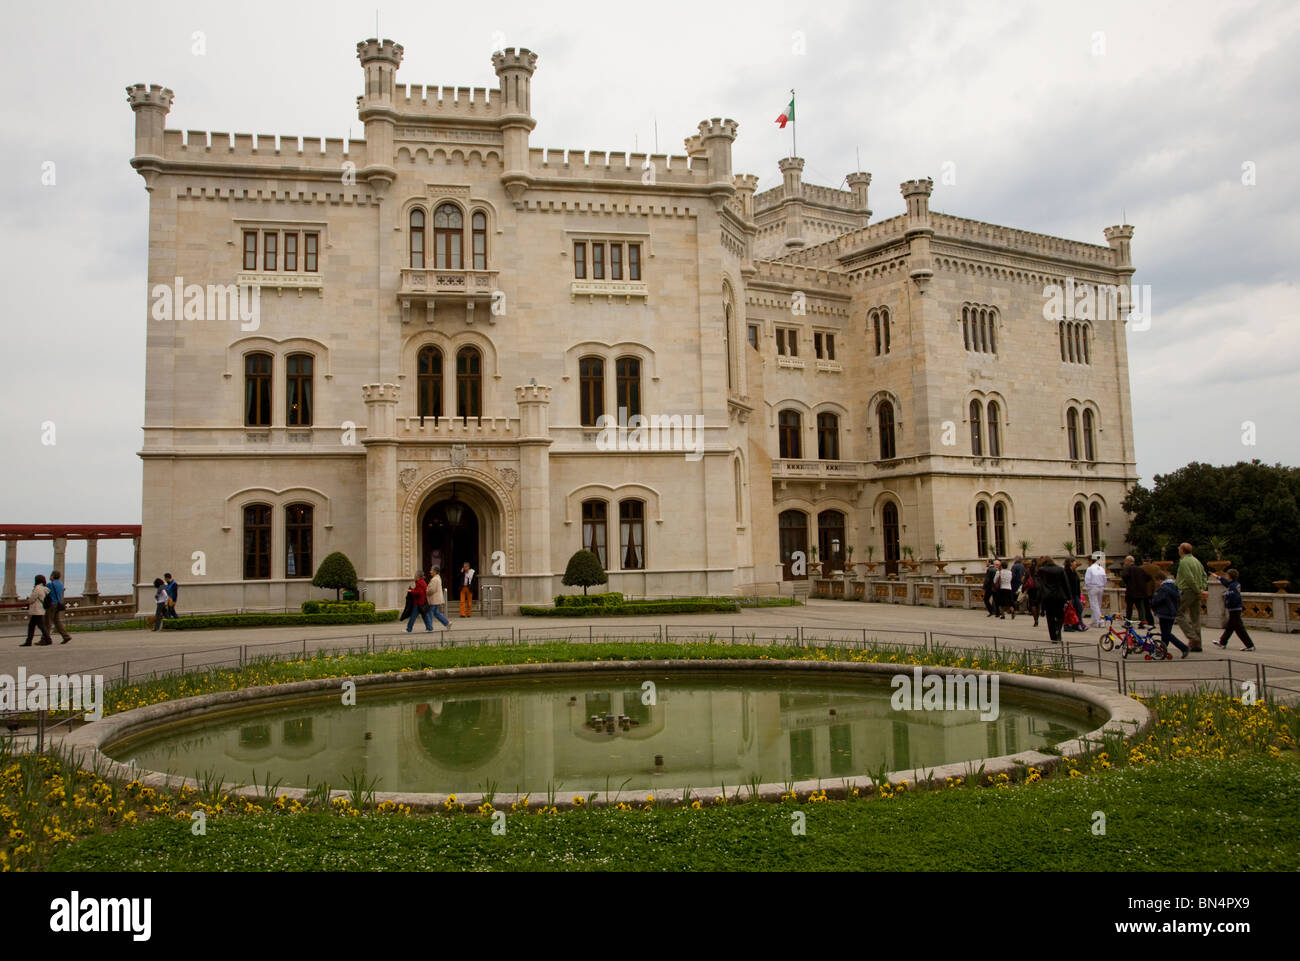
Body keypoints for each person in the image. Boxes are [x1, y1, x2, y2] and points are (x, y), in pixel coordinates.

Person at [1211, 569, 1255, 652]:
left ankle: (1250, 645)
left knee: (1239, 628)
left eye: (1227, 575)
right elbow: (1226, 583)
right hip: (1235, 608)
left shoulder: (1232, 587)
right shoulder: (1234, 584)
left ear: (1230, 577)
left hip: (1234, 609)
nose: (1226, 577)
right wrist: (1218, 577)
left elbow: (1234, 597)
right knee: (1230, 627)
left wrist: (1228, 604)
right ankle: (1222, 642)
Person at [1174, 542, 1206, 652]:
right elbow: (1204, 575)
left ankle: (1193, 637)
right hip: (1196, 591)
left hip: (1188, 590)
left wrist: (1197, 589)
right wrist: (1201, 588)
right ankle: (1197, 645)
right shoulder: (1196, 561)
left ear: (1182, 550)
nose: (1178, 550)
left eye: (1179, 548)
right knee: (1195, 617)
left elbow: (1189, 577)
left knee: (1177, 612)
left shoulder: (1184, 562)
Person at [1151, 572, 1189, 658]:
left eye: (1156, 581)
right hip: (1172, 613)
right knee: (1166, 634)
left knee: (1166, 634)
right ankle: (1162, 650)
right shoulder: (1174, 587)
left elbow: (1156, 600)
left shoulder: (1163, 588)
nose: (1156, 583)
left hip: (1164, 613)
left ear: (1160, 580)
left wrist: (1152, 602)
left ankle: (1184, 648)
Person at [1035, 556, 1069, 643]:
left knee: (1050, 616)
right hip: (1059, 595)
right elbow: (1065, 583)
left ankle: (1053, 637)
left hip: (1047, 596)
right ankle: (1058, 627)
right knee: (1060, 614)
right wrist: (1069, 597)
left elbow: (1039, 585)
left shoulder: (1041, 570)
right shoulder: (1060, 569)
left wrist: (1038, 599)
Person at [21, 575, 53, 646]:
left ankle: (47, 639)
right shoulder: (44, 588)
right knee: (34, 625)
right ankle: (29, 641)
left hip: (36, 609)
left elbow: (32, 599)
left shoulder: (37, 588)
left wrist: (27, 600)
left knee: (39, 625)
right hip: (40, 609)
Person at [1122, 556, 1153, 624]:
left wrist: (1128, 583)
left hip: (1130, 592)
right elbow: (1148, 577)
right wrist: (1143, 583)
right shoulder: (1140, 569)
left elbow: (1124, 576)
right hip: (1140, 592)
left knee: (1129, 608)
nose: (1125, 563)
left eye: (1126, 561)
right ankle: (1142, 622)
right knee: (1140, 608)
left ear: (1129, 561)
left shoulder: (1127, 569)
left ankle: (1128, 622)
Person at [45, 569, 73, 644]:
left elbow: (44, 592)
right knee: (57, 621)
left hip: (51, 604)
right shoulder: (60, 584)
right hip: (58, 604)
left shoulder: (50, 584)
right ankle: (66, 636)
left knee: (47, 622)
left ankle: (45, 638)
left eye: (51, 575)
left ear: (53, 576)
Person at [1084, 553, 1108, 628]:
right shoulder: (1101, 568)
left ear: (1090, 561)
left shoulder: (1090, 568)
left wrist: (1087, 588)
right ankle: (1094, 620)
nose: (1087, 563)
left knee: (1094, 605)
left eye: (1087, 561)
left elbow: (1087, 580)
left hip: (1093, 587)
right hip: (1100, 587)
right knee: (1098, 604)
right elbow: (1105, 579)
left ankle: (1100, 621)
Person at [1063, 558, 1083, 625]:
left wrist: (1079, 595)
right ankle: (1068, 625)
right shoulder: (1066, 572)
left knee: (1079, 609)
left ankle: (1077, 624)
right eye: (1074, 562)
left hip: (1075, 595)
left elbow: (1077, 584)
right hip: (1069, 595)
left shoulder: (1074, 572)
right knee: (1069, 611)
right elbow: (1066, 585)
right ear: (1071, 563)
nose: (1076, 563)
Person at [1022, 558, 1041, 627]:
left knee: (1032, 604)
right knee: (1038, 604)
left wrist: (1023, 588)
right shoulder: (1039, 569)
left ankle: (1035, 620)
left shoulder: (1028, 570)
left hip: (1031, 588)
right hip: (1038, 588)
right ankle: (1037, 618)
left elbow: (1025, 580)